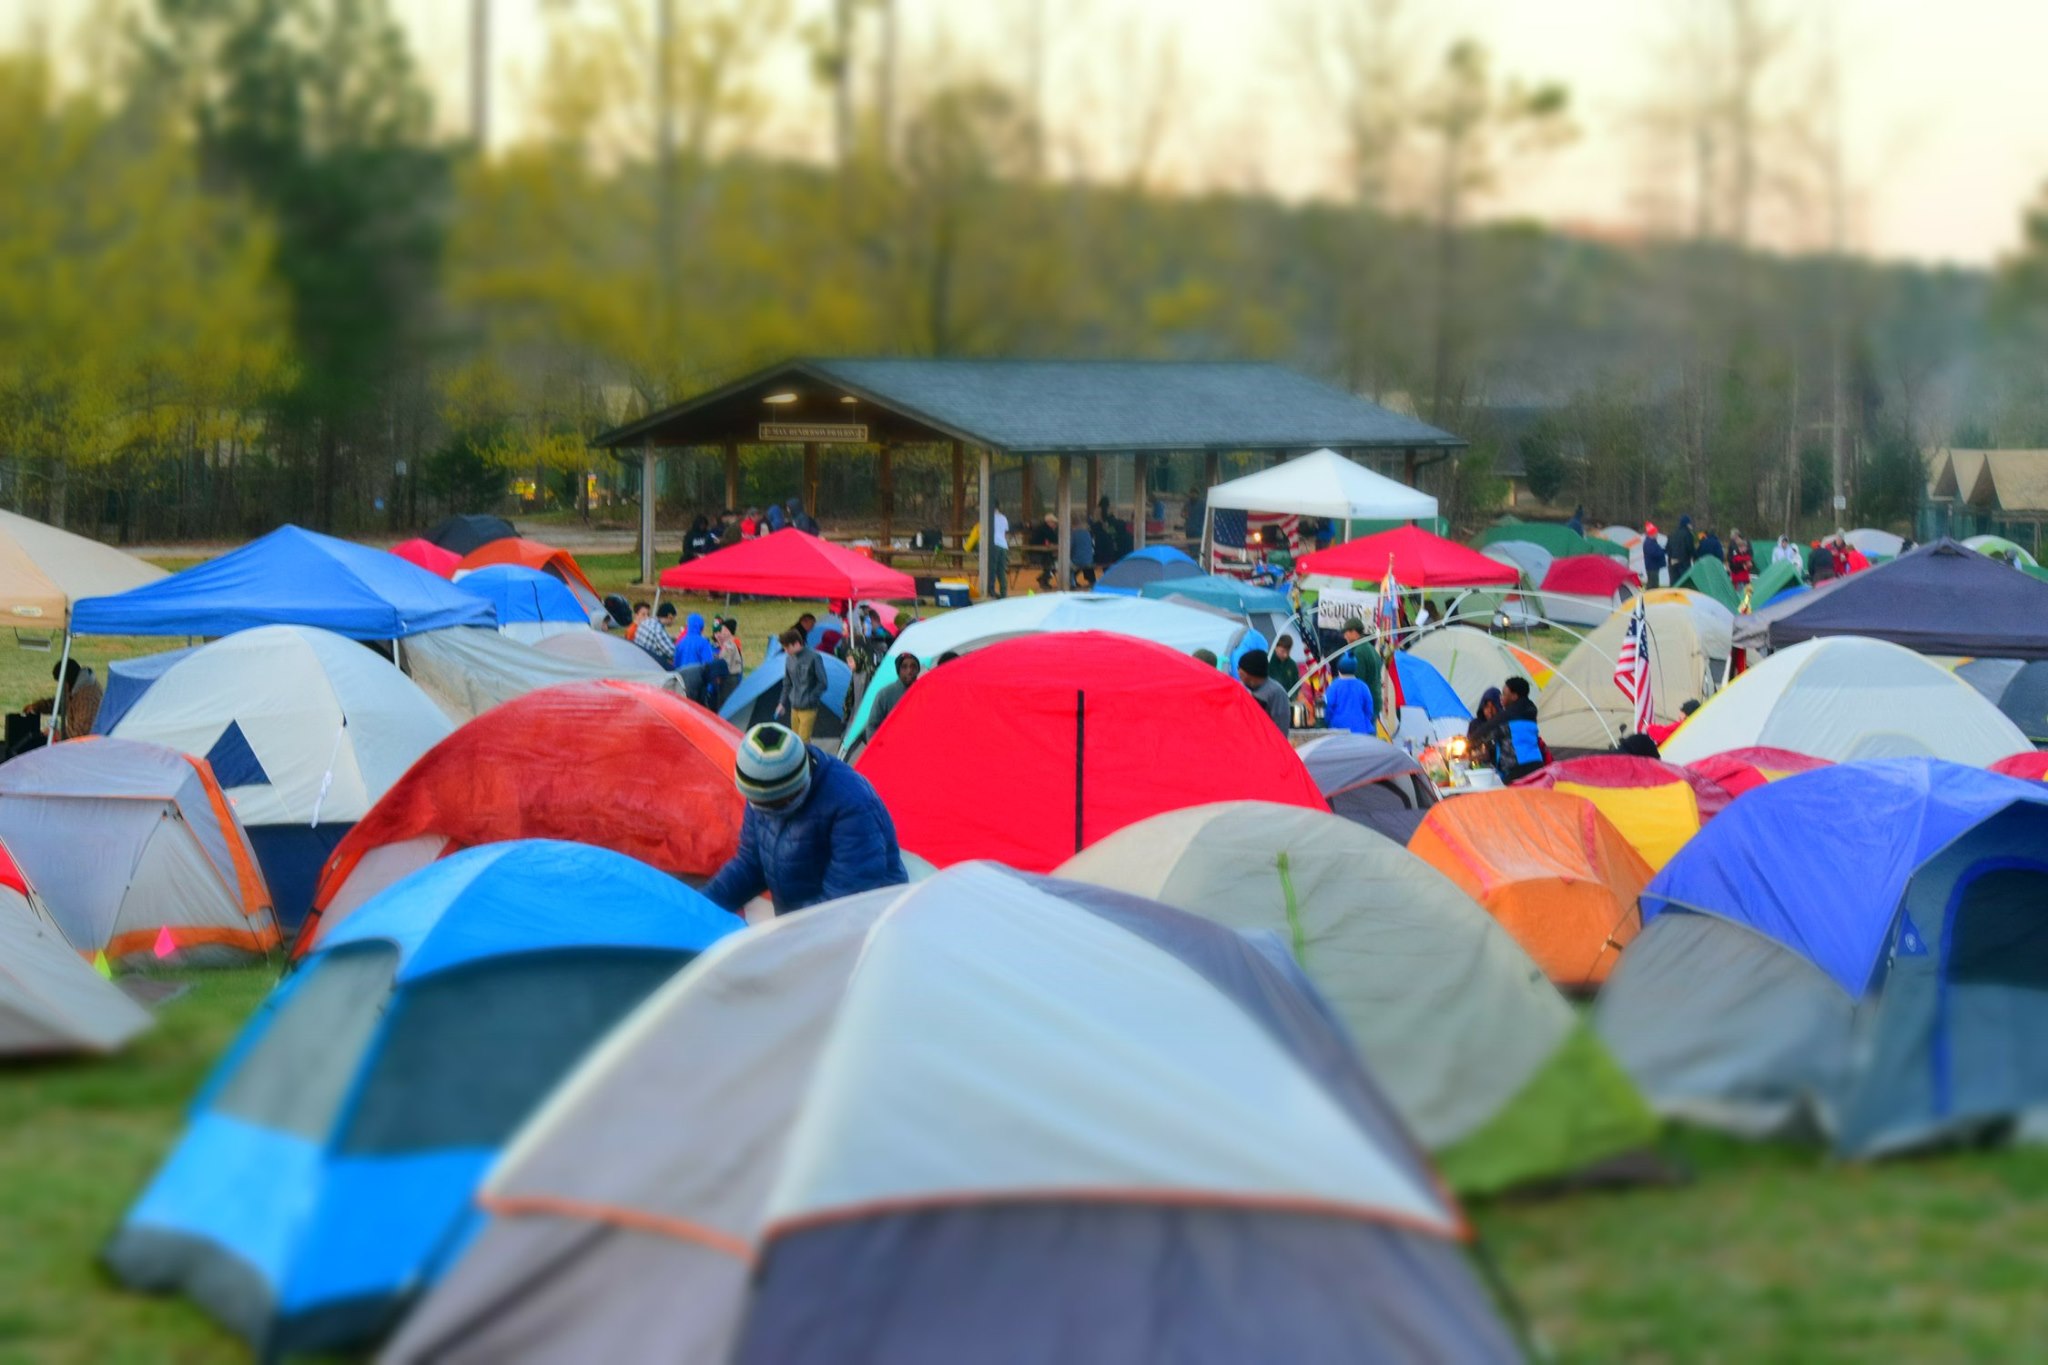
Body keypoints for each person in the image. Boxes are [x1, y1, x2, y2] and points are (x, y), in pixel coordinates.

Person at [704, 723, 908, 916]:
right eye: (758, 803)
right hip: (803, 924)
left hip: (865, 926)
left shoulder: (851, 804)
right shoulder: (762, 796)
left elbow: (845, 898)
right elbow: (750, 865)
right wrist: (701, 906)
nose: (767, 812)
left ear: (801, 783)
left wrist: (787, 936)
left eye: (778, 803)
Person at [1475, 675, 1546, 781]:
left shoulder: (1508, 716)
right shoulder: (1530, 711)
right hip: (1537, 764)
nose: (1501, 697)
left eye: (1504, 694)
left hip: (1518, 770)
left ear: (1514, 696)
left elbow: (1484, 733)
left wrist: (1468, 743)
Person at [776, 627, 830, 741]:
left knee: (803, 741)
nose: (786, 651)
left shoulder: (814, 657)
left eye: (787, 647)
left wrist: (810, 698)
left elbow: (823, 682)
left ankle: (807, 758)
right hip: (794, 707)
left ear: (796, 644)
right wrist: (781, 703)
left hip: (808, 708)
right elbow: (787, 682)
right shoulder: (789, 659)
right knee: (795, 740)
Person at [1237, 649, 1292, 734]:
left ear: (1247, 673)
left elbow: (1281, 729)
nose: (1238, 672)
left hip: (1266, 744)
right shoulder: (1241, 688)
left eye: (1239, 668)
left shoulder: (1276, 693)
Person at [1339, 617, 1384, 715]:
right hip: (1375, 700)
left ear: (1354, 632)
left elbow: (1357, 681)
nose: (1344, 636)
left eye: (1346, 632)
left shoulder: (1359, 652)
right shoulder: (1370, 648)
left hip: (1364, 703)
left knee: (1362, 730)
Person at [1322, 654, 1376, 736]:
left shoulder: (1334, 686)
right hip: (1360, 729)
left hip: (1338, 729)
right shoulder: (1363, 686)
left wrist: (1328, 722)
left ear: (1339, 669)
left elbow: (1328, 707)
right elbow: (1369, 709)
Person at [866, 654, 922, 731]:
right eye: (904, 667)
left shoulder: (924, 691)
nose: (909, 671)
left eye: (913, 666)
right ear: (898, 671)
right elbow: (872, 725)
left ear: (918, 670)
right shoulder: (885, 694)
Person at [988, 500, 1011, 599]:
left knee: (992, 568)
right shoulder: (1003, 518)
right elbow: (1005, 533)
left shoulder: (989, 518)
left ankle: (991, 590)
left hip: (994, 544)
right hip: (1003, 545)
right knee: (1001, 570)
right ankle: (1003, 591)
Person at [1030, 513, 1061, 589]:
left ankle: (1043, 579)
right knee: (1052, 564)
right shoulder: (1046, 529)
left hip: (1040, 554)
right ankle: (1044, 580)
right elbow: (1055, 539)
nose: (1055, 524)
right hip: (1037, 555)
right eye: (1054, 522)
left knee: (1054, 564)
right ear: (1049, 522)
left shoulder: (1042, 528)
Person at [1667, 515, 1696, 584]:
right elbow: (1690, 548)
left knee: (1674, 583)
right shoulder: (1688, 534)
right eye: (1690, 523)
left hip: (1672, 562)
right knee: (1683, 583)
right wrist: (1695, 557)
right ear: (1687, 524)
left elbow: (1668, 548)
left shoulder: (1672, 534)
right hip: (1684, 563)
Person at [1069, 516, 1096, 589]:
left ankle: (1072, 584)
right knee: (1085, 564)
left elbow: (1070, 547)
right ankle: (1092, 581)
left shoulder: (1074, 534)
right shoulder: (1087, 533)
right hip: (1089, 559)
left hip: (1077, 560)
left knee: (1067, 566)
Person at [1642, 523, 1666, 587]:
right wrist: (1662, 552)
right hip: (1652, 567)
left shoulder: (1651, 542)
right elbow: (1654, 553)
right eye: (1656, 532)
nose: (1657, 534)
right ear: (1652, 533)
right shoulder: (1649, 543)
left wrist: (1663, 550)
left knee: (1652, 584)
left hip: (1652, 567)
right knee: (1653, 585)